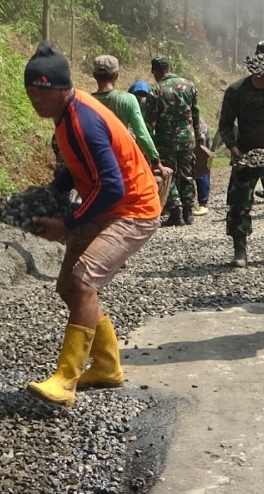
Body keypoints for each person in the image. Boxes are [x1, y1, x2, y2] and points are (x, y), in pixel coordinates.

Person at [22, 42, 162, 406]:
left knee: (83, 281)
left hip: (134, 209)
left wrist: (67, 223)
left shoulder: (83, 119)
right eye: (30, 92)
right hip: (105, 205)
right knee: (69, 287)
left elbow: (113, 186)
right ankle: (107, 368)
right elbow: (75, 167)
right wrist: (52, 191)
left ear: (62, 88)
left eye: (42, 92)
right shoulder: (65, 116)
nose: (35, 99)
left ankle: (65, 379)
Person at [217, 40, 264, 267]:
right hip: (246, 154)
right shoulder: (237, 90)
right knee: (239, 204)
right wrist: (233, 147)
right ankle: (240, 250)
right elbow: (226, 124)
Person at [146, 55, 202, 226]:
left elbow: (150, 121)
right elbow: (195, 113)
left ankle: (176, 212)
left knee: (167, 174)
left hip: (166, 140)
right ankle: (189, 211)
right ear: (169, 68)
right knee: (186, 174)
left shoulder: (156, 90)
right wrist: (198, 135)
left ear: (155, 71)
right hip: (187, 138)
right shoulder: (189, 85)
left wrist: (147, 145)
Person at [90, 55, 161, 171]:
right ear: (116, 75)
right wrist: (155, 160)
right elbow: (141, 133)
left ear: (94, 76)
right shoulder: (127, 99)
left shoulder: (86, 101)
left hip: (94, 161)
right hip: (120, 162)